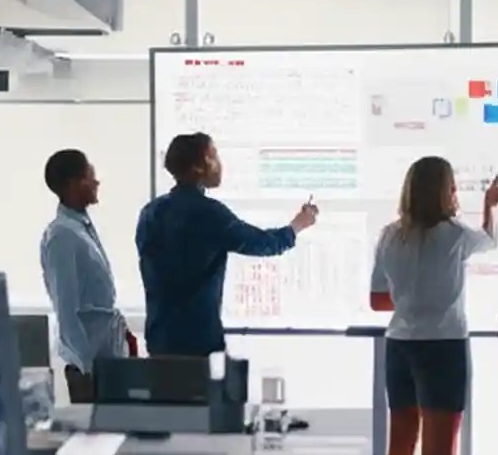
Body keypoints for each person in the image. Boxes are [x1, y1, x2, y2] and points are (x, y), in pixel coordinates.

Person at [369, 158, 498, 455]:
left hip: (399, 345)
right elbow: (491, 241)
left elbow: (378, 300)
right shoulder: (456, 236)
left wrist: (411, 298)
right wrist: (491, 204)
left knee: (402, 443)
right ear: (446, 191)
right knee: (439, 451)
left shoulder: (390, 236)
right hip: (442, 346)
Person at [136, 132, 318, 357]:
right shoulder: (208, 213)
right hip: (198, 342)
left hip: (159, 338)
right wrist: (297, 226)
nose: (219, 165)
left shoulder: (150, 213)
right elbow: (259, 243)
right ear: (197, 167)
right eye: (213, 156)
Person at [39, 149, 131, 403]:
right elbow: (66, 307)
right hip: (90, 366)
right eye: (90, 176)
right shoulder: (62, 236)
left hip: (106, 359)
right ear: (72, 184)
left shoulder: (80, 227)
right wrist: (86, 366)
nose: (96, 182)